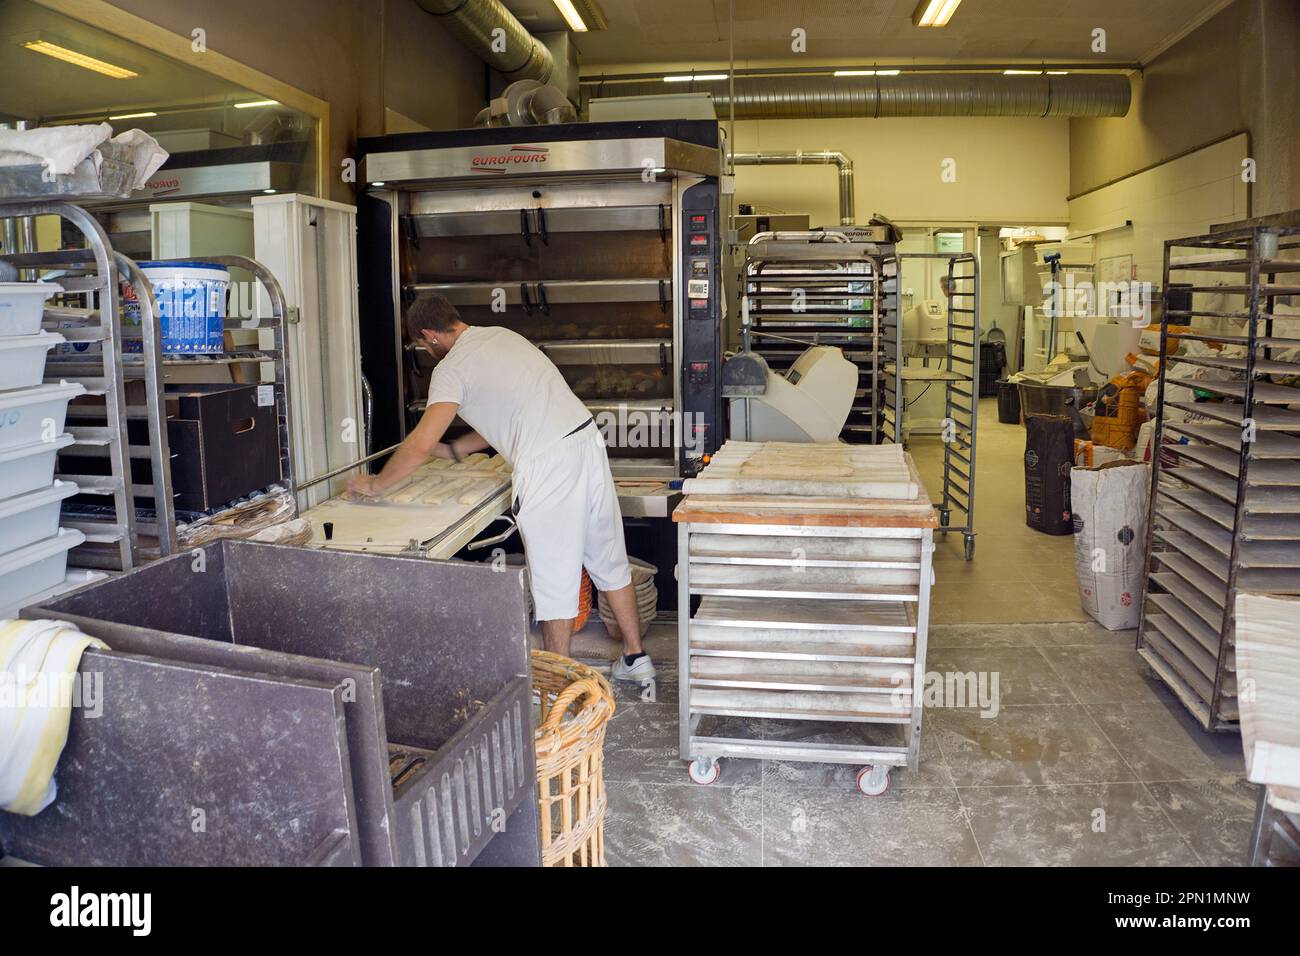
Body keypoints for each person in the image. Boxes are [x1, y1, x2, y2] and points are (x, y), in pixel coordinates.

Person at [347, 293, 654, 682]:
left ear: (429, 335)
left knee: (553, 580)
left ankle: (559, 687)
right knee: (609, 558)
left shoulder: (451, 368)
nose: (426, 352)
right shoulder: (501, 336)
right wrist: (456, 450)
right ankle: (634, 658)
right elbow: (508, 411)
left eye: (423, 345)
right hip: (586, 442)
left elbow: (420, 442)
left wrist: (376, 484)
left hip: (548, 463)